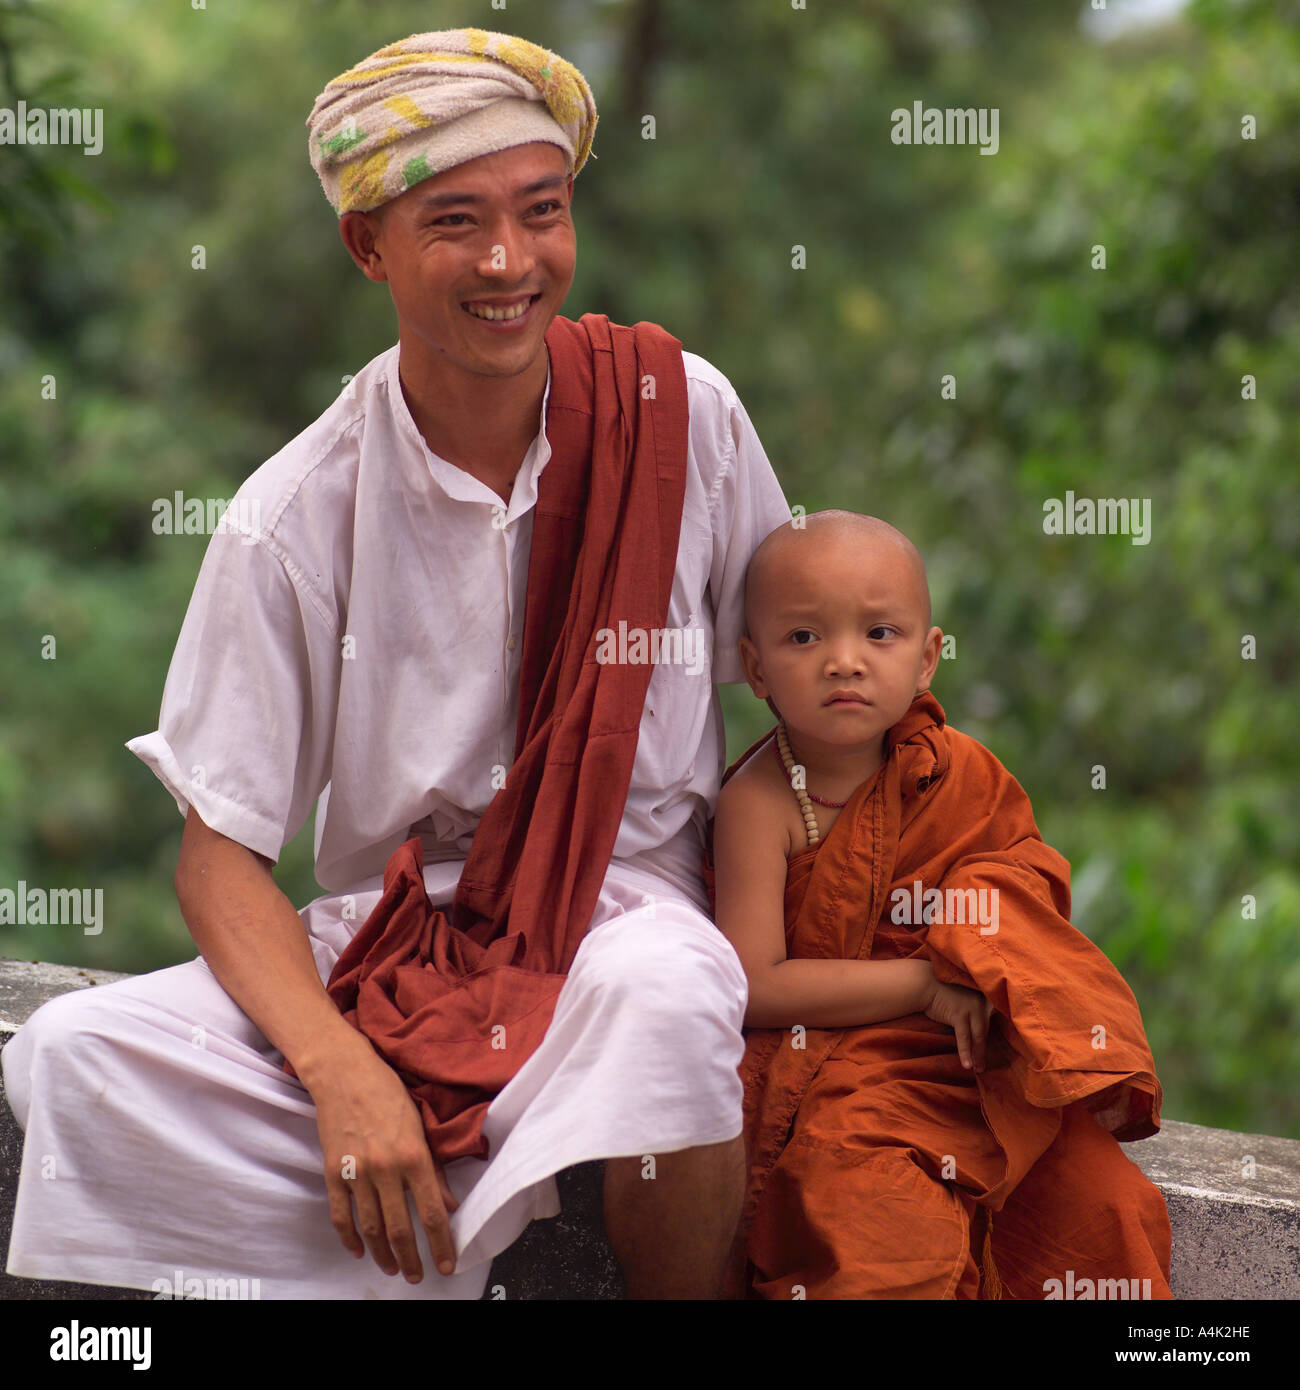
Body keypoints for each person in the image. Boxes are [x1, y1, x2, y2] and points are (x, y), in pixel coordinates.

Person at [2, 29, 790, 1301]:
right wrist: (340, 1072)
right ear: (367, 246)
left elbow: (801, 672)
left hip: (620, 918)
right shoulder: (294, 512)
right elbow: (221, 851)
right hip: (394, 945)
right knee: (66, 1055)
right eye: (456, 222)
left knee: (671, 989)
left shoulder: (677, 414)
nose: (507, 262)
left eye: (542, 214)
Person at [707, 510, 1173, 1299]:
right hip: (842, 1068)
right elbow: (753, 985)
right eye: (803, 639)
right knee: (881, 1226)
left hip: (974, 1064)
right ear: (754, 668)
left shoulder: (962, 776)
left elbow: (1023, 897)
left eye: (879, 634)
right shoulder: (760, 801)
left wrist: (984, 959)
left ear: (928, 658)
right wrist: (925, 984)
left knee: (1106, 1205)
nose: (843, 662)